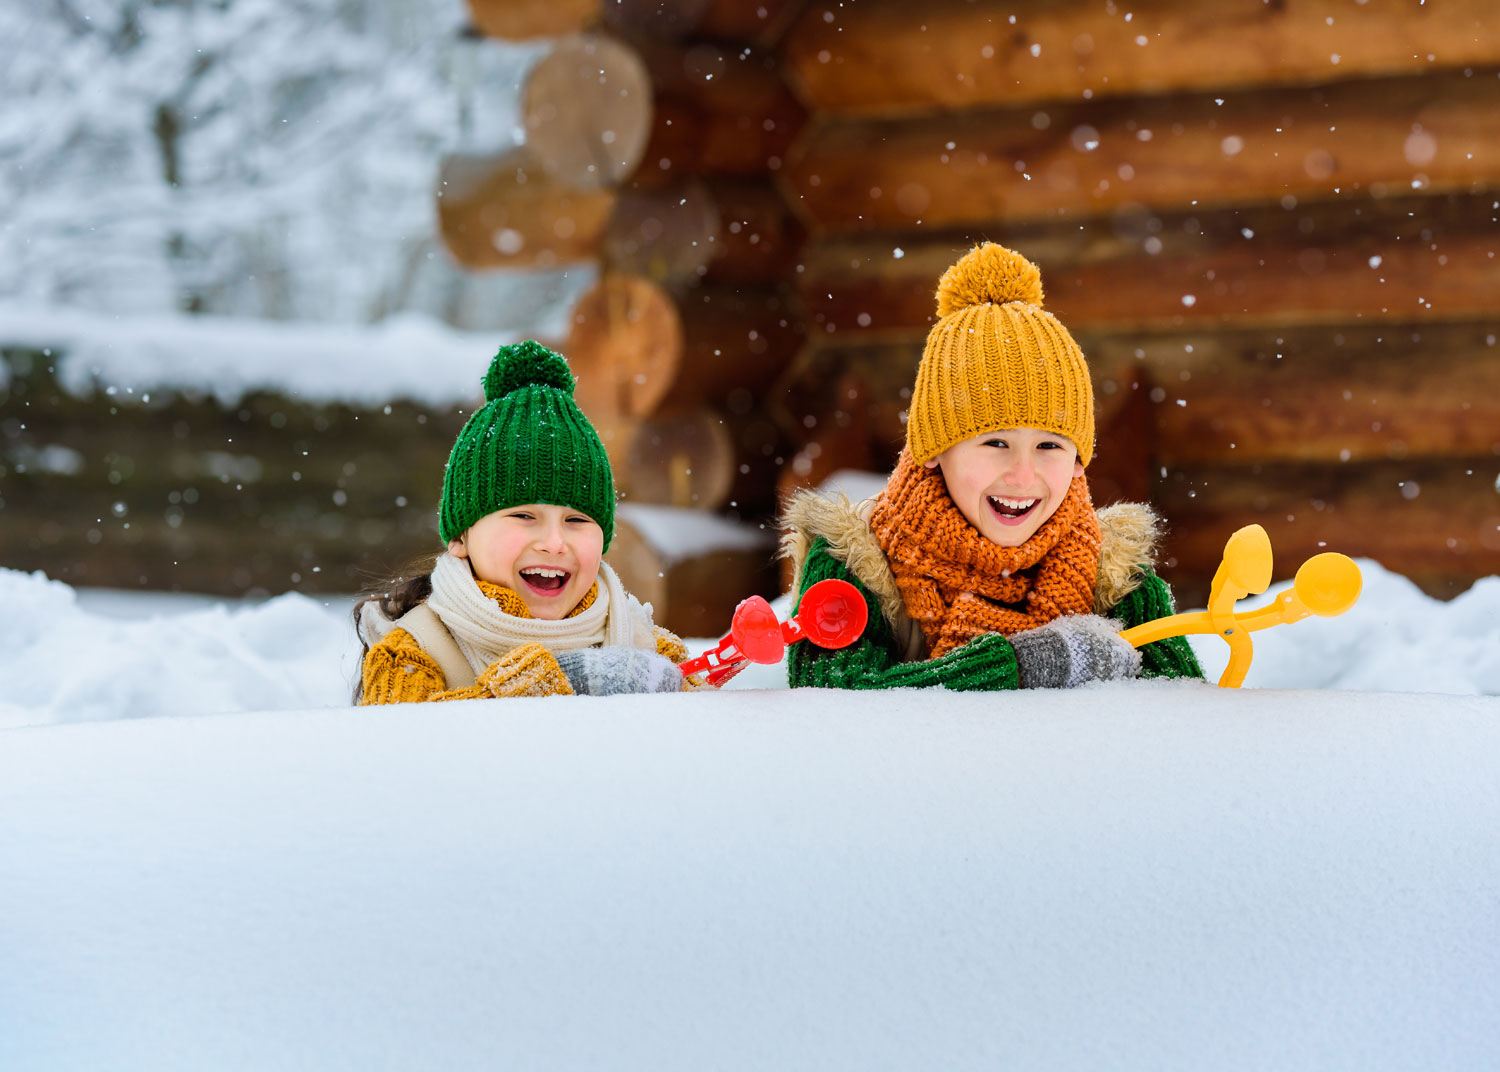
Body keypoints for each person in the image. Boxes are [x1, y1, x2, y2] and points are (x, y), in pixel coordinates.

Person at [780, 243, 1204, 690]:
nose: (1023, 476)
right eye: (996, 442)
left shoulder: (1117, 576)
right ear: (934, 449)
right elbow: (831, 705)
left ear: (1079, 463)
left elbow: (1180, 715)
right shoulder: (854, 563)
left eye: (1049, 446)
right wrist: (1019, 665)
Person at [354, 340, 689, 703]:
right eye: (524, 516)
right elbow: (408, 749)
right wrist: (532, 691)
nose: (554, 542)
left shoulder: (639, 641)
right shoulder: (412, 652)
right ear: (461, 537)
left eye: (576, 520)